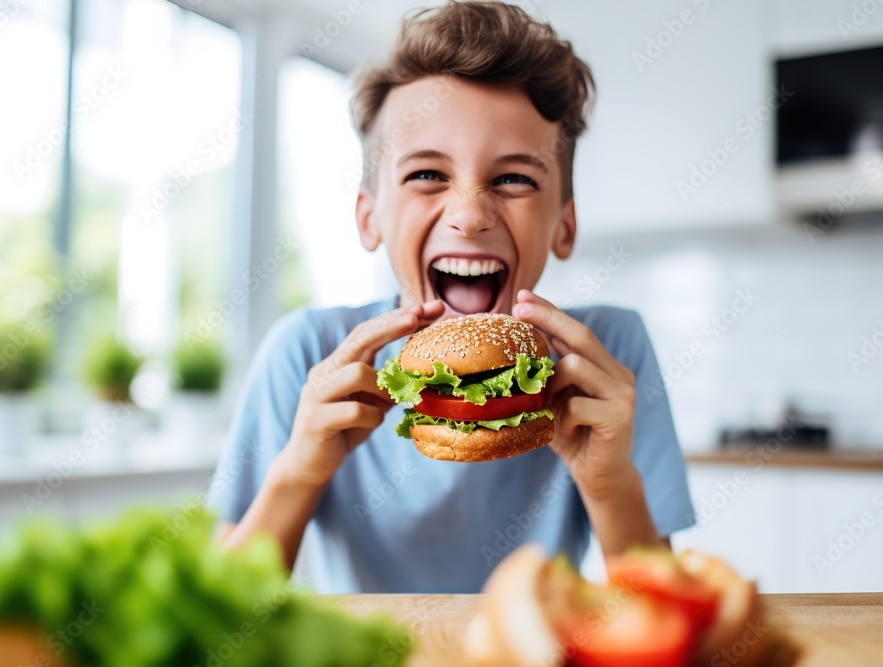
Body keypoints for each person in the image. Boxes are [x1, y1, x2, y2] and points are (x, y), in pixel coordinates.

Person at [211, 1, 694, 593]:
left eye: (515, 178)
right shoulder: (311, 355)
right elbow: (220, 619)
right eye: (426, 175)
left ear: (564, 225)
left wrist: (610, 482)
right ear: (370, 220)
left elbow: (665, 611)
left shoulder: (605, 357)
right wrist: (298, 472)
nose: (469, 215)